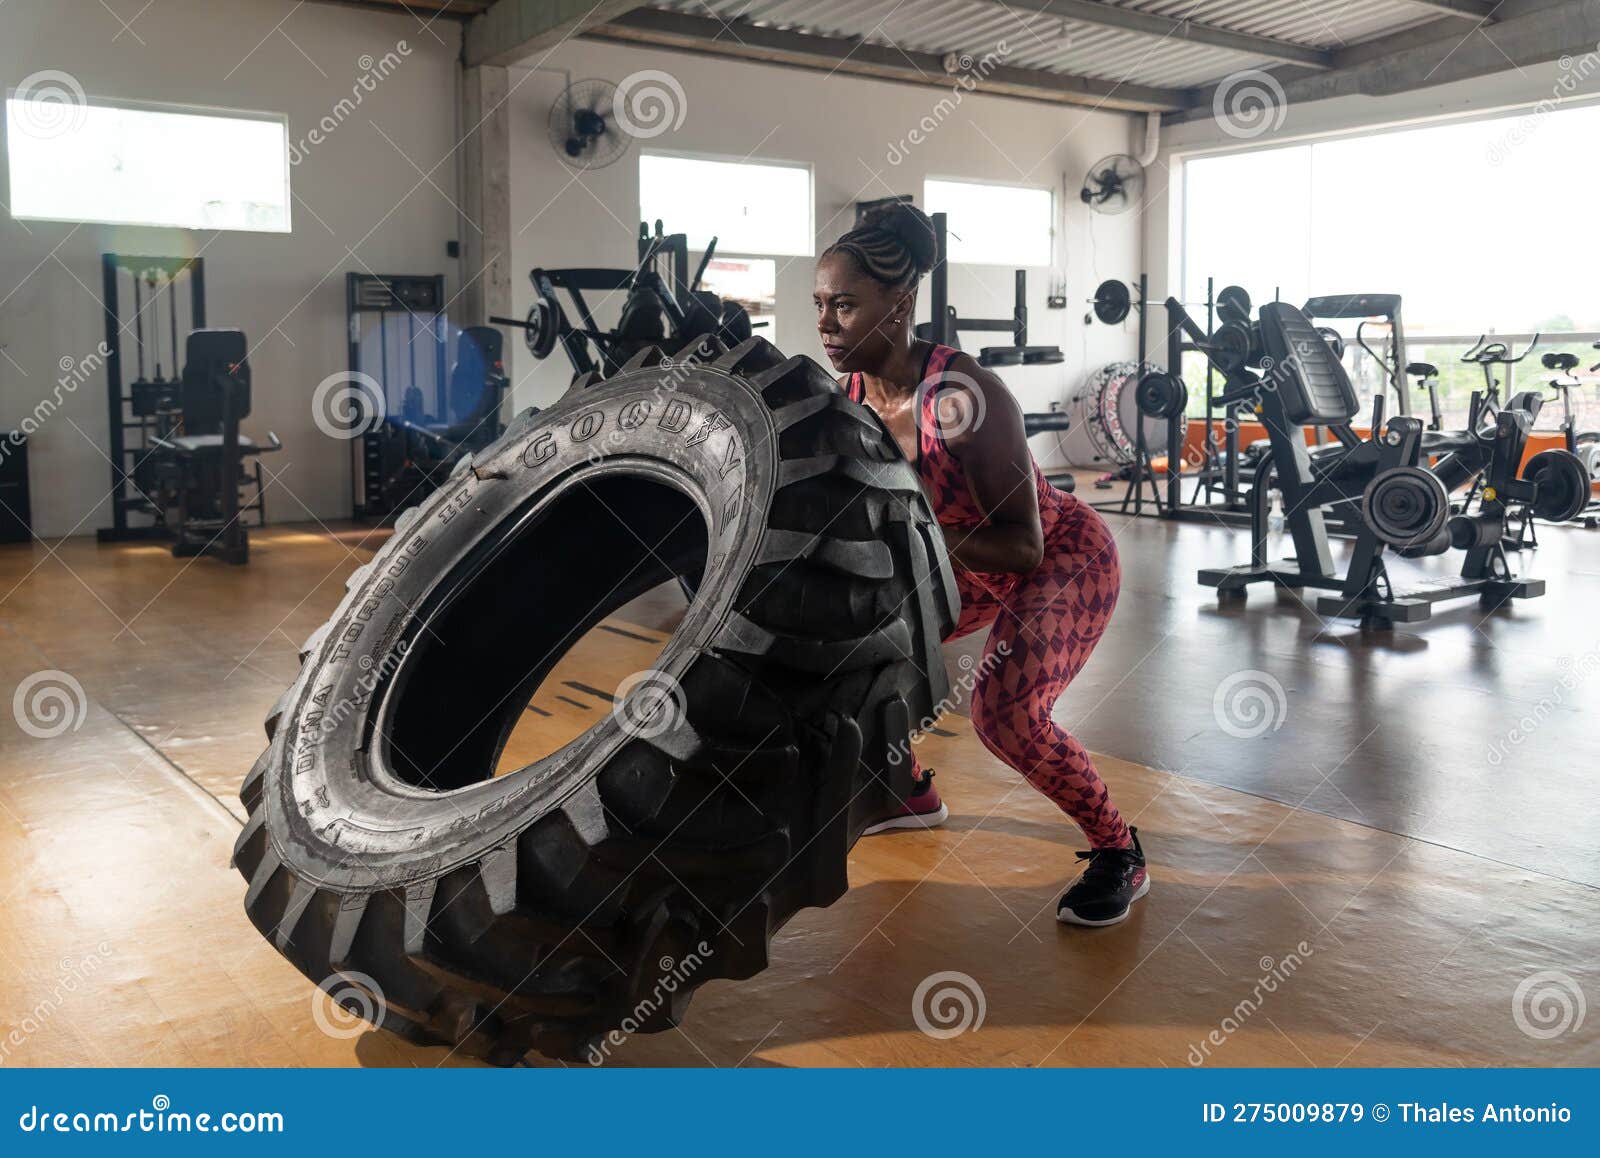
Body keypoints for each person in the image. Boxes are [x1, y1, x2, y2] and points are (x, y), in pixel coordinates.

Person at [812, 202, 1147, 927]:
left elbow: (1021, 545)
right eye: (820, 304)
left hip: (1058, 560)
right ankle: (905, 790)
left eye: (844, 304)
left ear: (898, 306)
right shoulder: (855, 393)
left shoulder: (963, 396)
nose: (826, 322)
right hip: (961, 559)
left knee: (1005, 716)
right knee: (848, 641)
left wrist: (906, 530)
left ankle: (1121, 851)